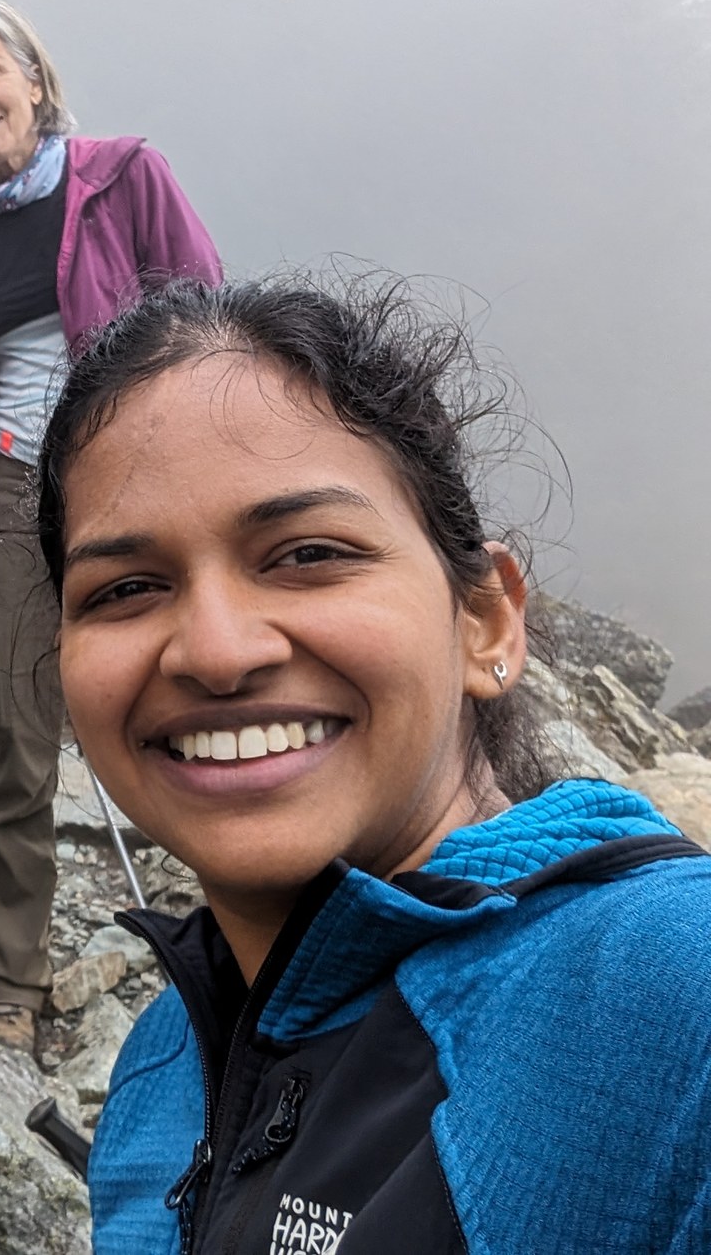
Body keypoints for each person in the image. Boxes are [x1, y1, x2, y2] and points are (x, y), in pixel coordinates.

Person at [36, 278, 711, 1253]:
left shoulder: (668, 994)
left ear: (484, 621)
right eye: (126, 588)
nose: (216, 651)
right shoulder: (159, 1067)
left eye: (306, 552)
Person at [0, 0, 220, 1056]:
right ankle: (8, 983)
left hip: (134, 485)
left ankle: (260, 935)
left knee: (196, 706)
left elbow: (208, 320)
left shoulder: (124, 177)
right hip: (7, 488)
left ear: (34, 80)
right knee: (14, 747)